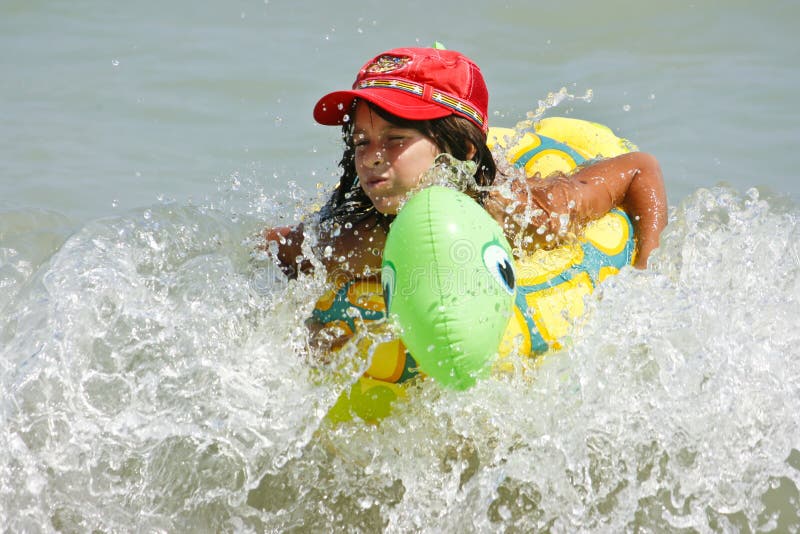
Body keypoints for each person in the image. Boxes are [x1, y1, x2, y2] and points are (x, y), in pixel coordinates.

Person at [264, 46, 667, 286]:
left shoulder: (520, 212)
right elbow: (273, 246)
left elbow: (638, 170)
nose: (370, 156)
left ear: (463, 148)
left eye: (396, 139)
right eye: (361, 141)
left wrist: (646, 279)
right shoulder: (358, 241)